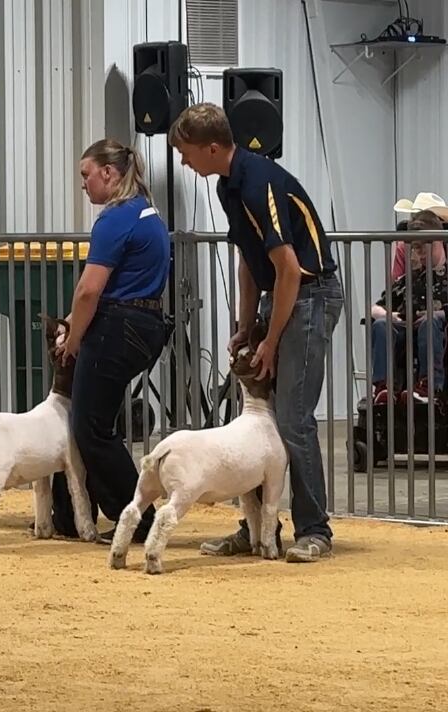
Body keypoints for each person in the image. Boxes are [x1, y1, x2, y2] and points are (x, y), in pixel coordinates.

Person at [171, 102, 344, 563]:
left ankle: (315, 530)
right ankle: (255, 528)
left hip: (310, 293)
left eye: (187, 153)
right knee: (255, 416)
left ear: (212, 147)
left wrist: (270, 339)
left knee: (291, 417)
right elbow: (250, 259)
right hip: (284, 295)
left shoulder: (258, 181)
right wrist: (247, 326)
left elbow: (288, 268)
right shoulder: (230, 185)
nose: (184, 162)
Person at [52, 139, 170, 545]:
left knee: (90, 427)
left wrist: (73, 338)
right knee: (93, 421)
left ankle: (134, 516)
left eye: (86, 174)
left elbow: (89, 290)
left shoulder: (115, 218)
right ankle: (68, 513)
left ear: (108, 172)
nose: (83, 183)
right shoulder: (147, 211)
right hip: (146, 321)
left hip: (117, 325)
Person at [370, 210, 448, 407]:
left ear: (440, 241)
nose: (420, 253)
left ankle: (430, 386)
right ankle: (384, 387)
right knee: (382, 324)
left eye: (425, 246)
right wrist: (392, 315)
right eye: (416, 248)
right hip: (408, 333)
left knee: (431, 321)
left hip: (444, 334)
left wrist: (443, 314)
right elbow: (375, 307)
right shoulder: (409, 280)